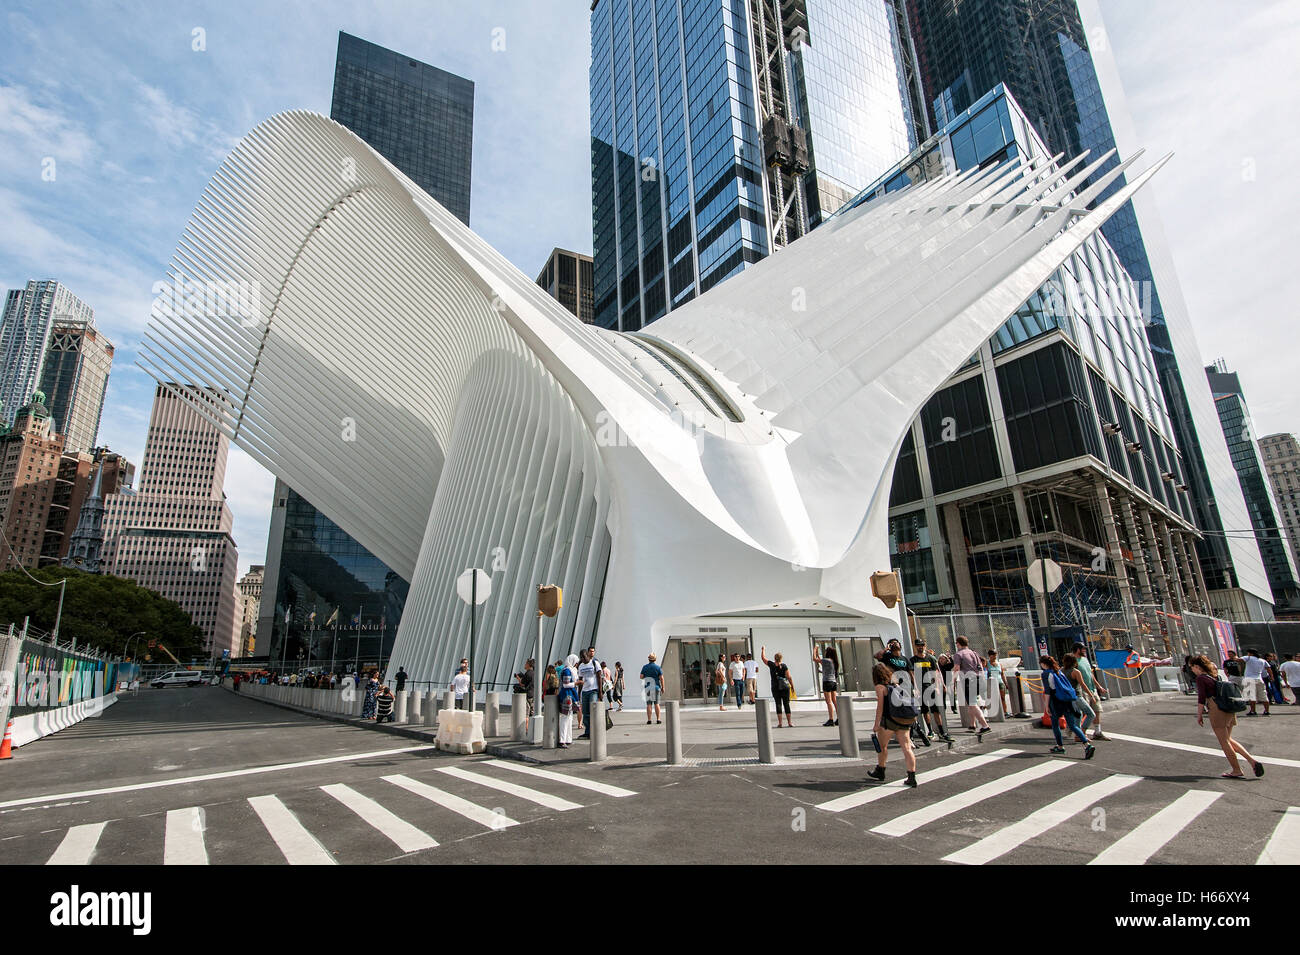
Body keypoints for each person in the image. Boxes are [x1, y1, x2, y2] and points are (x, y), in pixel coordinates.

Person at [1190, 654, 1263, 779]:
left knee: (1224, 742)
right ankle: (1252, 761)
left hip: (1216, 708)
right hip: (1227, 707)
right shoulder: (1213, 674)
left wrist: (1199, 715)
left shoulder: (1201, 678)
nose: (1191, 669)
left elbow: (1201, 698)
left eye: (1191, 667)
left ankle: (1236, 769)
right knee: (1228, 739)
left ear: (1197, 666)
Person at [867, 662, 918, 787]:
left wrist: (876, 724)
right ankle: (911, 776)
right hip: (903, 719)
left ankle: (881, 769)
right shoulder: (895, 684)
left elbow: (880, 708)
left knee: (882, 747)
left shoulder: (880, 687)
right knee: (907, 748)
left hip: (889, 721)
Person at [1040, 655, 1094, 759]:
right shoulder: (1058, 671)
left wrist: (1046, 706)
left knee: (1055, 724)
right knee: (1073, 725)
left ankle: (1060, 746)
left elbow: (1047, 691)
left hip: (1055, 700)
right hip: (1067, 700)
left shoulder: (1046, 674)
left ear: (1043, 664)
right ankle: (1087, 745)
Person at [910, 639, 951, 742]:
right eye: (919, 645)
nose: (921, 647)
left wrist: (937, 686)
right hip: (921, 688)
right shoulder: (913, 660)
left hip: (931, 687)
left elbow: (936, 673)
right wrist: (916, 688)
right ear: (915, 646)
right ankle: (930, 731)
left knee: (936, 710)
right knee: (925, 710)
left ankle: (942, 732)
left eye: (922, 645)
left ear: (925, 646)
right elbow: (912, 675)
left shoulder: (931, 658)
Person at [953, 636, 991, 739]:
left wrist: (951, 680)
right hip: (979, 678)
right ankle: (972, 724)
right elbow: (980, 667)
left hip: (968, 680)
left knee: (972, 704)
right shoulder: (974, 653)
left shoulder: (958, 654)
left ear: (958, 644)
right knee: (971, 703)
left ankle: (984, 725)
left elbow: (956, 668)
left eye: (956, 643)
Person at [1071, 642, 1108, 741]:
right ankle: (1079, 733)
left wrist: (1098, 686)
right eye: (1083, 649)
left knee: (1097, 710)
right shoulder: (1073, 661)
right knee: (1083, 713)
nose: (1085, 650)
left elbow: (1090, 674)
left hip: (1092, 689)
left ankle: (1097, 732)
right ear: (1078, 649)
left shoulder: (1085, 659)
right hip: (1082, 690)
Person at [1061, 653, 1101, 737]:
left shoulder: (1061, 671)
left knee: (1078, 716)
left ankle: (1077, 734)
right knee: (1091, 714)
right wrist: (1091, 695)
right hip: (1077, 696)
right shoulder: (1075, 672)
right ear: (1074, 662)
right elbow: (1083, 684)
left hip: (1067, 697)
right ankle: (1081, 732)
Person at [760, 646, 793, 727]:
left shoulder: (771, 665)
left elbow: (763, 658)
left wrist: (763, 649)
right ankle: (789, 722)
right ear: (781, 658)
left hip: (775, 687)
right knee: (786, 704)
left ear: (775, 658)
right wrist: (792, 685)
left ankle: (780, 723)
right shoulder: (784, 666)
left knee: (778, 704)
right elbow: (789, 677)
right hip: (785, 687)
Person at [812, 644, 839, 726]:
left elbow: (814, 659)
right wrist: (817, 652)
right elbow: (819, 660)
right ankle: (839, 718)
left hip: (827, 682)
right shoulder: (834, 661)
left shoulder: (826, 660)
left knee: (829, 702)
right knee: (834, 701)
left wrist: (815, 648)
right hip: (833, 682)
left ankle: (831, 719)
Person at [557, 655, 580, 748]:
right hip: (567, 695)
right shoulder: (567, 671)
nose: (576, 664)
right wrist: (576, 683)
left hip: (569, 694)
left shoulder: (569, 670)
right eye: (576, 662)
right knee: (565, 718)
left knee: (569, 718)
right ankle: (562, 740)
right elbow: (566, 684)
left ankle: (568, 739)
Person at [1240, 648, 1272, 716]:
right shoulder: (1262, 660)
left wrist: (1235, 657)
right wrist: (1272, 677)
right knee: (1263, 696)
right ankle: (1266, 711)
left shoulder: (1248, 658)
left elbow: (1238, 660)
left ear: (1250, 653)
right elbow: (1269, 668)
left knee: (1252, 696)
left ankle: (1253, 711)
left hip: (1250, 679)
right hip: (1259, 679)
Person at [578, 649, 601, 739]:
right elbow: (580, 680)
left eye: (584, 656)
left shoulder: (595, 663)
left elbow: (599, 677)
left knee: (593, 711)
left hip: (593, 690)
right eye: (581, 657)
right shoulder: (581, 666)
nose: (583, 658)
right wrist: (579, 693)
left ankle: (594, 731)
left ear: (587, 655)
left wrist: (600, 692)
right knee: (585, 712)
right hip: (585, 691)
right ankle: (588, 732)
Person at [985, 649, 1010, 720]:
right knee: (993, 698)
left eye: (996, 655)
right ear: (990, 656)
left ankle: (1005, 712)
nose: (995, 657)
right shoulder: (987, 664)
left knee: (1002, 698)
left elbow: (1002, 674)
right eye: (993, 655)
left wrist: (1006, 683)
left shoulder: (999, 664)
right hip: (992, 683)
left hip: (1000, 682)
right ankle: (993, 711)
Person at [641, 653, 664, 724]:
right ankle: (658, 719)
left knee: (649, 704)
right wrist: (663, 687)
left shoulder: (645, 667)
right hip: (656, 687)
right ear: (655, 659)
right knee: (656, 704)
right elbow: (661, 678)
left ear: (649, 659)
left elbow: (641, 676)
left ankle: (649, 720)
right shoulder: (658, 667)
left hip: (648, 688)